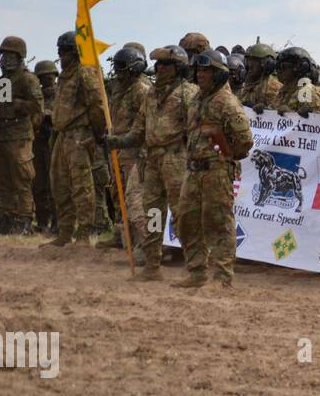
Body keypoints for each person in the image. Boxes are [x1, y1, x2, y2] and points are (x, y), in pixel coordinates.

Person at [106, 45, 199, 280]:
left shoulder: (189, 93)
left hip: (177, 159)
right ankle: (152, 266)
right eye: (157, 65)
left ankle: (197, 268)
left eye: (165, 65)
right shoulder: (151, 94)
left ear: (178, 68)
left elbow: (196, 130)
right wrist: (117, 141)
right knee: (154, 213)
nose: (158, 69)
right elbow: (138, 131)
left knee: (182, 214)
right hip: (152, 160)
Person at [173, 51, 253, 289]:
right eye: (198, 70)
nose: (200, 75)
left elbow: (245, 142)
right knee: (186, 221)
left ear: (218, 74)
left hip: (217, 170)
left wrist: (226, 153)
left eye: (206, 71)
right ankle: (197, 271)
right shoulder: (197, 98)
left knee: (218, 222)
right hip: (193, 169)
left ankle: (222, 276)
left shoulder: (227, 102)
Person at [44, 32, 106, 246]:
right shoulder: (64, 75)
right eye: (59, 51)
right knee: (59, 183)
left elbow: (96, 105)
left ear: (74, 52)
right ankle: (64, 232)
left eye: (63, 51)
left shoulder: (85, 73)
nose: (60, 56)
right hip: (62, 135)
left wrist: (98, 134)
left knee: (82, 186)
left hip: (80, 134)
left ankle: (83, 233)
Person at [0, 36, 44, 235]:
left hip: (19, 137)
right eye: (4, 54)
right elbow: (0, 105)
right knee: (3, 180)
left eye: (11, 55)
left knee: (22, 180)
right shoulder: (4, 80)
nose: (6, 59)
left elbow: (37, 106)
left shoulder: (28, 79)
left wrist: (17, 105)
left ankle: (25, 220)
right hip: (1, 136)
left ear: (20, 56)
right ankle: (7, 218)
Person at [96, 46, 151, 249]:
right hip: (116, 148)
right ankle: (121, 235)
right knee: (116, 193)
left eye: (122, 69)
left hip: (133, 150)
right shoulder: (118, 88)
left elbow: (145, 123)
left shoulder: (142, 90)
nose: (118, 73)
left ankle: (138, 240)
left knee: (133, 195)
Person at [30, 59, 58, 233]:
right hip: (38, 143)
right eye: (42, 77)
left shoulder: (62, 94)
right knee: (38, 184)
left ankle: (57, 222)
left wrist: (47, 115)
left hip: (54, 144)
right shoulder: (37, 97)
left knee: (54, 184)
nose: (47, 80)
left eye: (49, 77)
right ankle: (42, 221)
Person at [274, 47, 320, 115]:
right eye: (278, 67)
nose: (279, 70)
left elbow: (317, 121)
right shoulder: (283, 91)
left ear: (300, 67)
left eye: (284, 66)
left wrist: (290, 114)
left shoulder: (307, 92)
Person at [240, 42, 281, 111]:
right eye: (249, 61)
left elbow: (275, 113)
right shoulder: (247, 85)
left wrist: (265, 109)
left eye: (254, 61)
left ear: (266, 63)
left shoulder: (273, 86)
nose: (250, 65)